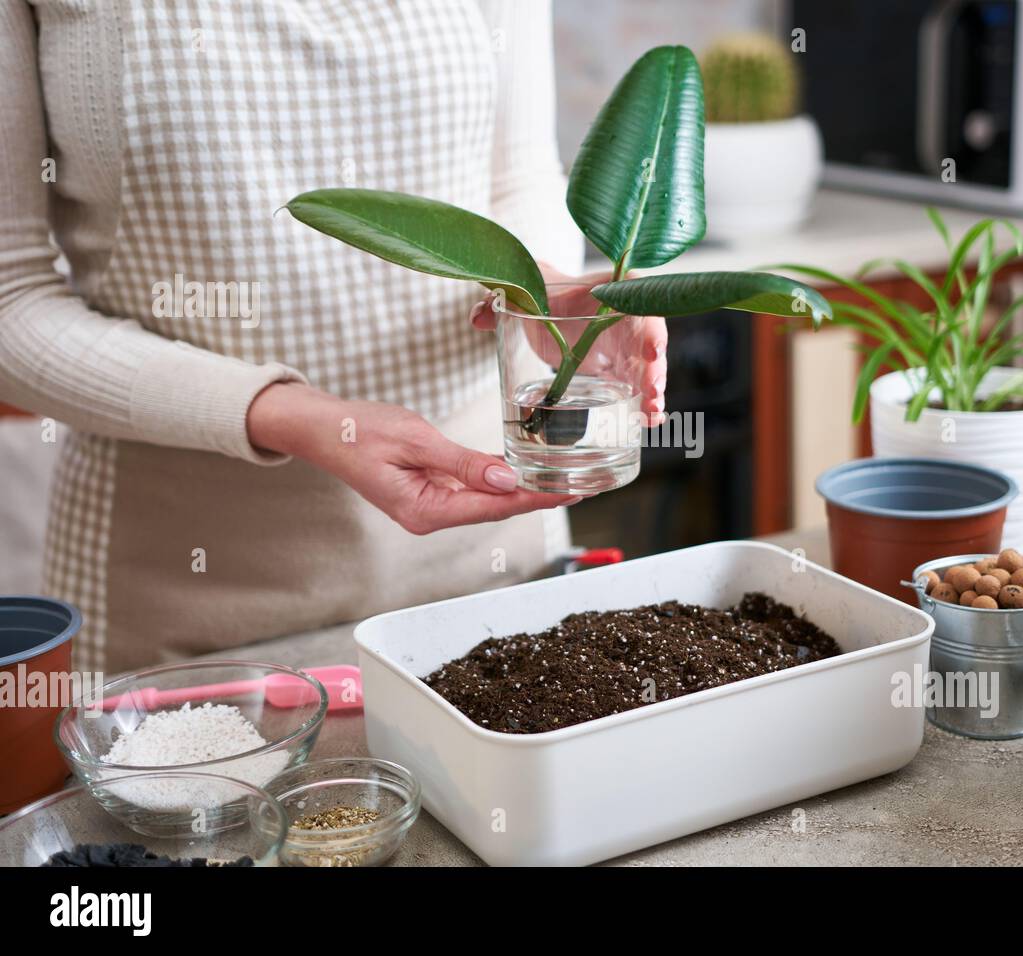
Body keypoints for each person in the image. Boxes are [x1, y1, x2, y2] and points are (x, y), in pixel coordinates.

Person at [0, 0, 667, 672]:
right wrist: (294, 415)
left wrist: (540, 295)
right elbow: (9, 298)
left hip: (487, 552)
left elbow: (517, 175)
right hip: (186, 597)